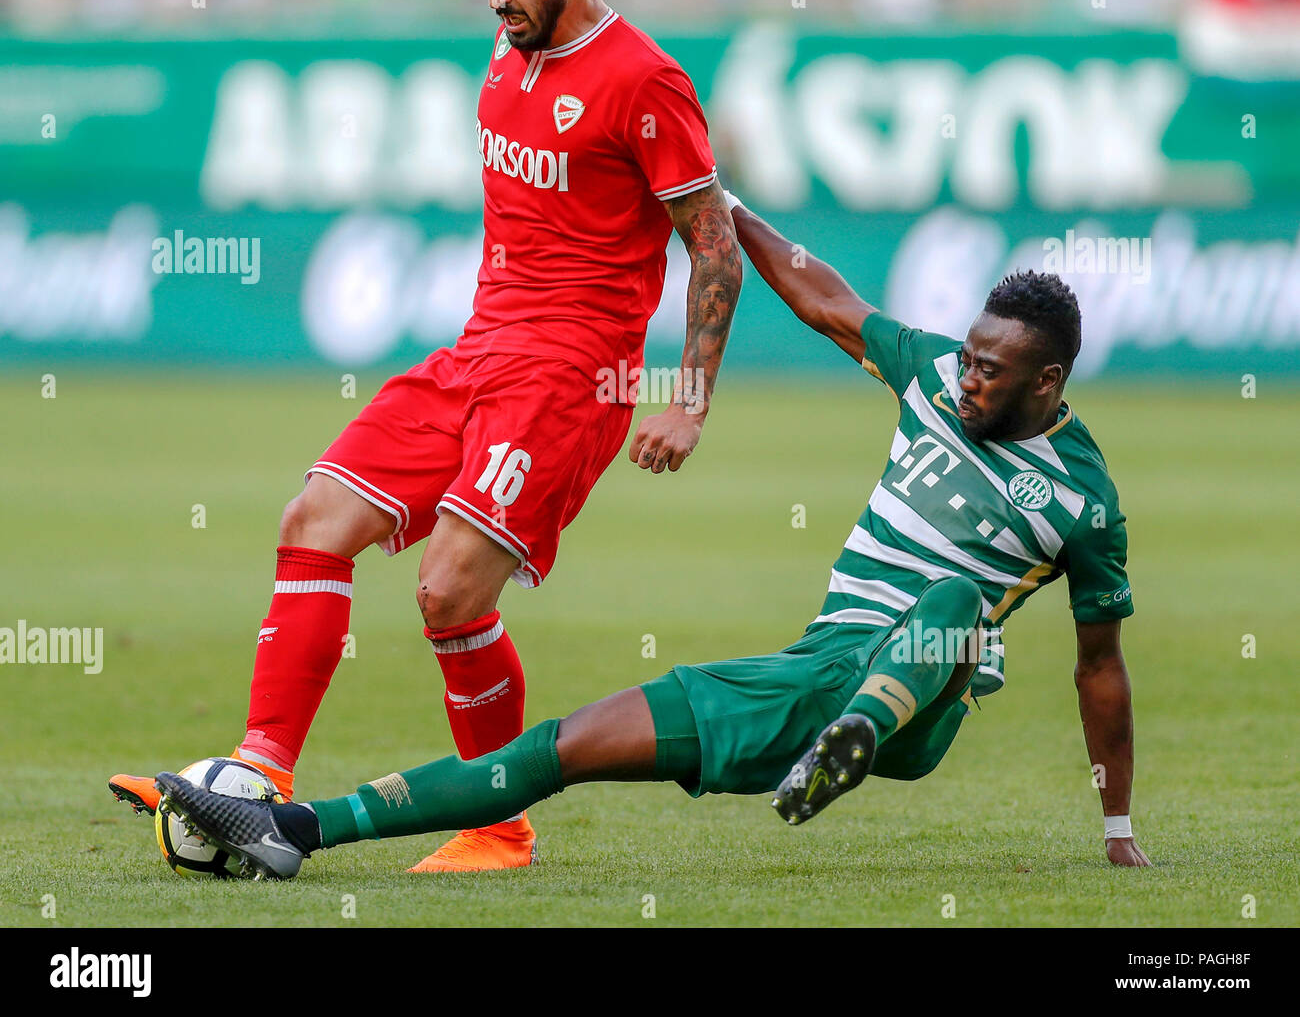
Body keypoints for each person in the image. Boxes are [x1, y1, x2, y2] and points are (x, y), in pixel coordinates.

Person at [153, 195, 1152, 879]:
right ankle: (292, 828)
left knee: (954, 605)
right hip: (810, 671)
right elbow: (821, 298)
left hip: (919, 707)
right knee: (563, 744)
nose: (968, 376)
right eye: (970, 354)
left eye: (992, 369)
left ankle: (857, 736)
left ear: (1047, 381)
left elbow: (1097, 667)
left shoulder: (1082, 497)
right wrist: (721, 206)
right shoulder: (931, 372)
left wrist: (1116, 825)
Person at [112, 0, 742, 874]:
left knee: (448, 591)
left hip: (570, 377)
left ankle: (499, 825)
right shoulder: (509, 44)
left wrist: (687, 398)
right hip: (477, 347)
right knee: (312, 520)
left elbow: (715, 241)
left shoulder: (642, 77)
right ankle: (254, 777)